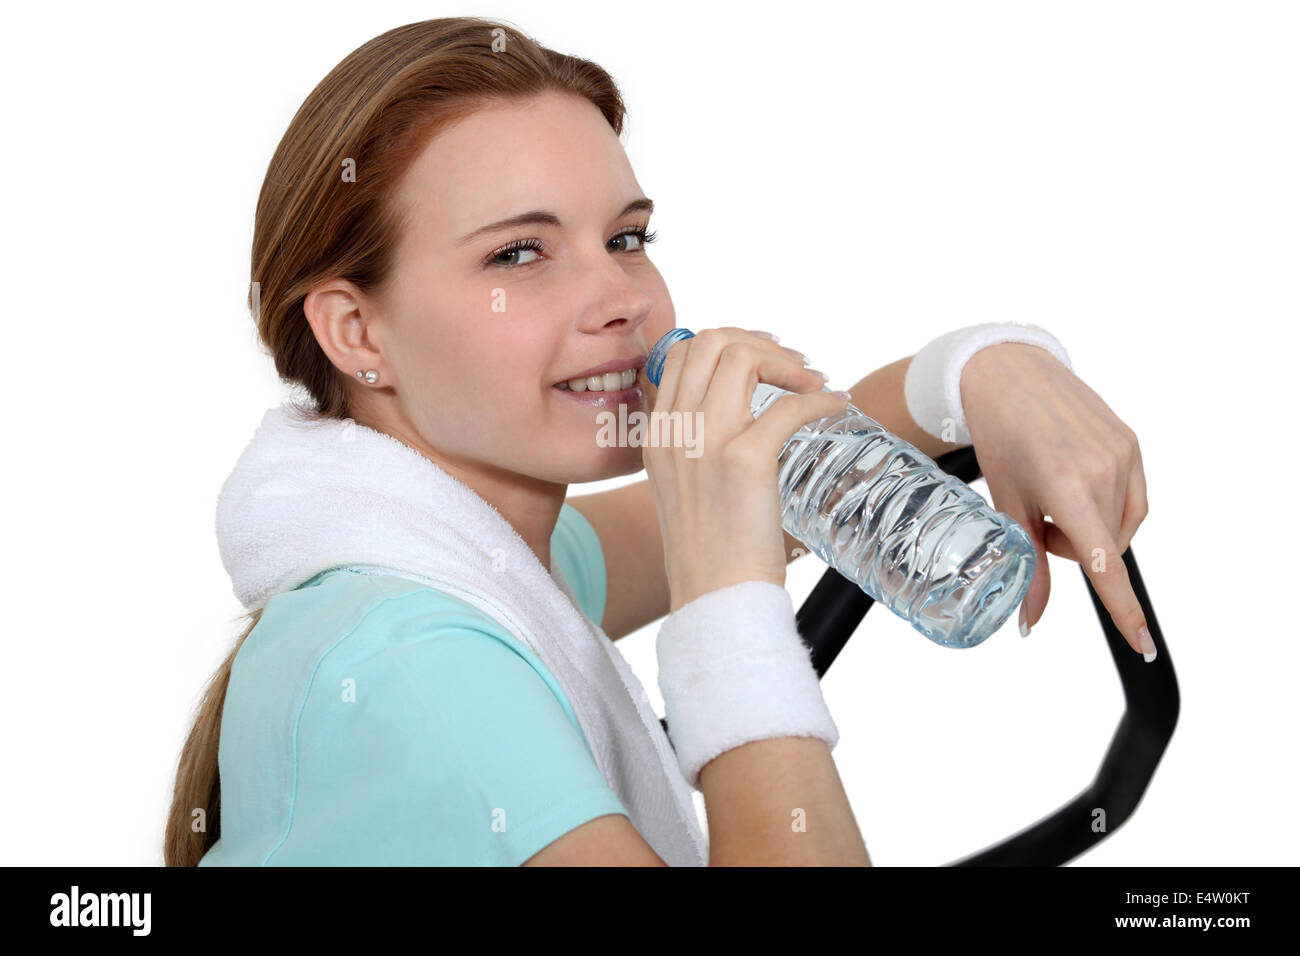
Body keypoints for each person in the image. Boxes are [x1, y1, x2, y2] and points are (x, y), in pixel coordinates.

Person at [165, 16, 1150, 867]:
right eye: (519, 253)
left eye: (626, 238)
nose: (619, 300)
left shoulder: (487, 568)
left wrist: (987, 369)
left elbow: (822, 443)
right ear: (357, 332)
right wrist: (729, 601)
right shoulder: (413, 664)